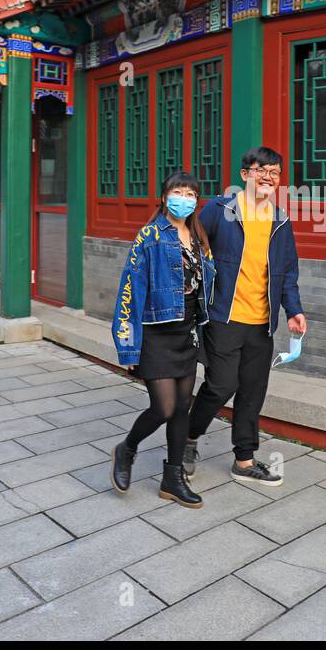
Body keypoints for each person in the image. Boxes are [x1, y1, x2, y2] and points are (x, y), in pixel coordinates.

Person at [183, 146, 307, 486]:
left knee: (253, 390)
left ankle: (244, 459)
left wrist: (293, 309)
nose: (268, 177)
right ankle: (188, 439)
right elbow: (192, 243)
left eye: (275, 173)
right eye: (261, 170)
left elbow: (287, 270)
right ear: (244, 175)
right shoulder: (220, 211)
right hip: (224, 317)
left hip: (262, 323)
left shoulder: (280, 220)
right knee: (221, 384)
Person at [110, 171, 216, 508]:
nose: (183, 198)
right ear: (164, 196)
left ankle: (173, 478)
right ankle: (126, 449)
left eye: (190, 193)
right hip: (156, 332)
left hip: (187, 333)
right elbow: (130, 289)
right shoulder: (150, 236)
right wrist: (127, 343)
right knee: (164, 407)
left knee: (182, 408)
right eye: (177, 191)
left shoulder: (199, 237)